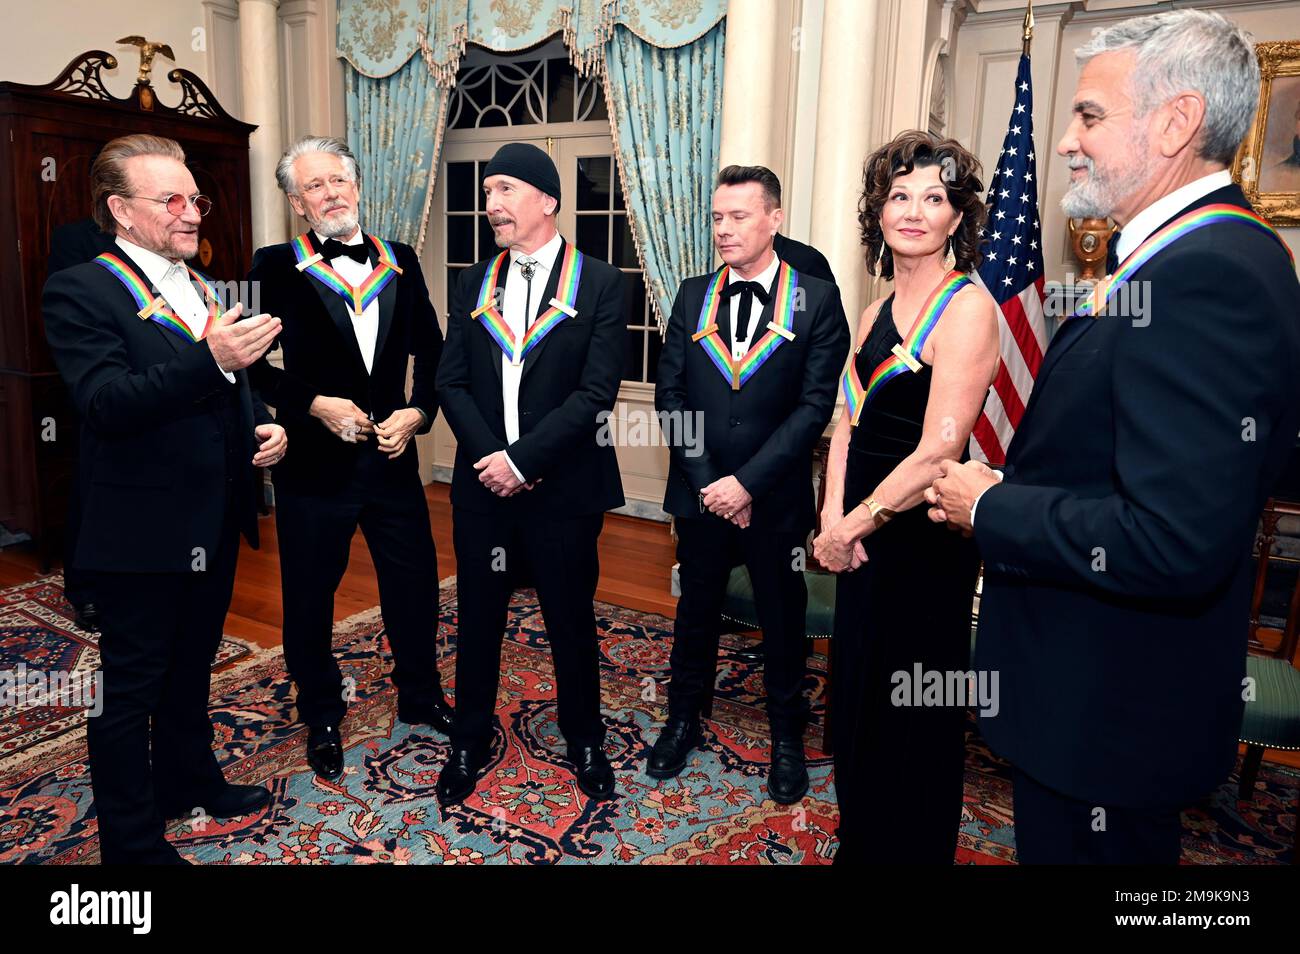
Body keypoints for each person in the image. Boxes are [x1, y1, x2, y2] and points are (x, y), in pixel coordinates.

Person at [927, 9, 1300, 864]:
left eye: (1090, 115)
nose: (1065, 141)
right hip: (1094, 698)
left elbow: (1173, 540)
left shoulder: (1206, 276)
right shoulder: (1184, 260)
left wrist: (994, 508)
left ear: (1176, 123)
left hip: (1111, 714)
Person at [42, 134, 285, 863]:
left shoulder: (202, 284)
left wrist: (265, 427)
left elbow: (231, 387)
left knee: (191, 666)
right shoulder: (81, 288)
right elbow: (108, 403)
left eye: (195, 199)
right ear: (120, 209)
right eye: (171, 200)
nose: (191, 214)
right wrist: (210, 357)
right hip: (140, 528)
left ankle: (189, 779)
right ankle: (131, 841)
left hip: (211, 518)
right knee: (129, 692)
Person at [811, 132, 998, 863]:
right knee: (858, 699)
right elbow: (846, 427)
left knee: (914, 712)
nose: (913, 211)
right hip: (859, 544)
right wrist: (831, 521)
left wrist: (852, 522)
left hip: (921, 544)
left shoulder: (967, 310)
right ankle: (862, 842)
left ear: (957, 217)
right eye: (898, 196)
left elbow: (937, 451)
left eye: (933, 198)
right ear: (878, 211)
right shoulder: (871, 312)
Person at [248, 136, 451, 780]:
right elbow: (247, 366)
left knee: (414, 587)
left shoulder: (402, 259)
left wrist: (418, 413)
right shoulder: (274, 264)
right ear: (295, 201)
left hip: (392, 460)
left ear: (357, 186)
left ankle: (420, 695)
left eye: (338, 180)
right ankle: (321, 715)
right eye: (314, 186)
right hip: (312, 466)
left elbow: (436, 352)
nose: (330, 193)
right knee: (310, 597)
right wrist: (313, 405)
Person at [434, 142, 627, 805]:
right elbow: (450, 380)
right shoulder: (472, 280)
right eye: (488, 193)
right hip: (483, 490)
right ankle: (467, 738)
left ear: (547, 199)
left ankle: (585, 737)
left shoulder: (601, 282)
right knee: (479, 615)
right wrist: (494, 459)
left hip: (565, 490)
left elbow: (595, 392)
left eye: (506, 189)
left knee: (569, 617)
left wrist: (524, 461)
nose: (492, 205)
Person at [650, 164, 849, 803]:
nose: (724, 229)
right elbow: (671, 396)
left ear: (774, 219)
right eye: (716, 217)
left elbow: (814, 407)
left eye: (738, 216)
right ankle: (684, 718)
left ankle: (787, 735)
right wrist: (711, 482)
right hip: (701, 494)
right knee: (695, 609)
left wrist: (748, 484)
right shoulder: (690, 295)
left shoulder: (814, 299)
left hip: (774, 500)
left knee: (782, 615)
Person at [47, 214, 118, 632]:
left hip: (168, 383)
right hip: (101, 383)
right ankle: (86, 592)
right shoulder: (74, 239)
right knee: (90, 492)